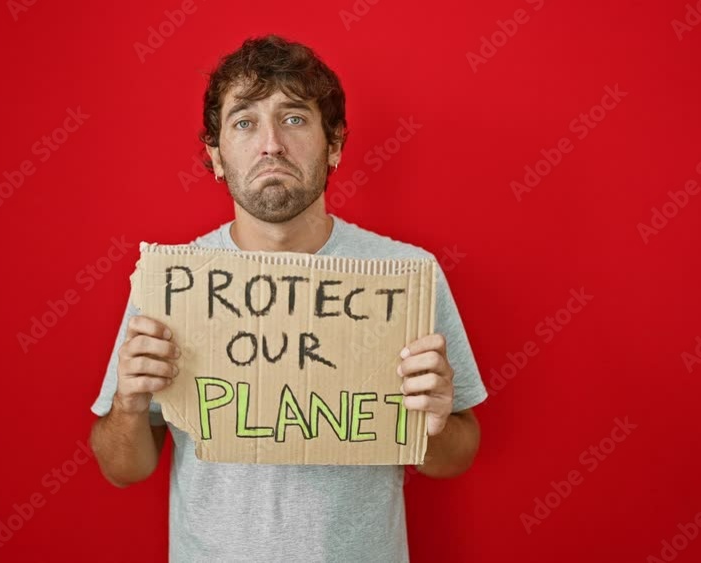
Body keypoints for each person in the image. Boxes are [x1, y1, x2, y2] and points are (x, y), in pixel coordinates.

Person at [89, 34, 487, 562]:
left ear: (335, 143)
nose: (270, 143)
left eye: (295, 118)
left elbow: (453, 458)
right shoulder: (172, 280)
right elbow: (124, 469)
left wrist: (433, 422)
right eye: (245, 122)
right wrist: (129, 404)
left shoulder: (406, 276)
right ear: (216, 155)